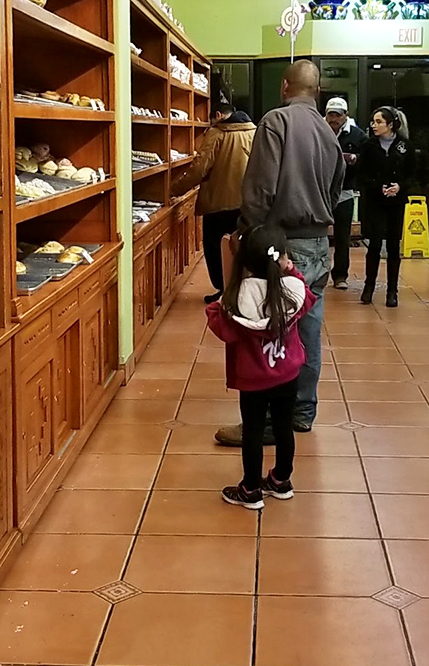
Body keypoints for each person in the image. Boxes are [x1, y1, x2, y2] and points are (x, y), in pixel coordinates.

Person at [215, 60, 345, 445]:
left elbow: (260, 186)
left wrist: (246, 232)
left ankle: (271, 422)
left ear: (285, 86)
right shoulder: (329, 130)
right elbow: (337, 191)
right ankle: (302, 412)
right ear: (317, 91)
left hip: (281, 244)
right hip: (320, 244)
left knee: (270, 330)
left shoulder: (276, 121)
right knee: (309, 328)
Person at [206, 225, 315, 509]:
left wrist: (231, 284)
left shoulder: (238, 298)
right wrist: (291, 272)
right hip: (288, 374)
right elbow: (307, 299)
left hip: (254, 379)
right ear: (282, 258)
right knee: (283, 427)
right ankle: (281, 480)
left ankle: (251, 488)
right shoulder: (292, 290)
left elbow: (219, 323)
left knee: (253, 431)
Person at [170, 102, 256, 304]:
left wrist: (174, 190)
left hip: (218, 202)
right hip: (247, 204)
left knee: (216, 248)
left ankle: (223, 289)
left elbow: (199, 169)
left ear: (217, 115)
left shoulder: (218, 133)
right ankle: (241, 290)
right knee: (242, 247)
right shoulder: (254, 131)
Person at [358, 106, 415, 308]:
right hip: (375, 201)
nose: (374, 125)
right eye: (373, 121)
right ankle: (369, 287)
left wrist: (400, 187)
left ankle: (392, 290)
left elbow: (414, 174)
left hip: (396, 202)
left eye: (379, 122)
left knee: (393, 246)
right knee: (374, 244)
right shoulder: (368, 146)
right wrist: (376, 186)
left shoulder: (405, 146)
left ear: (390, 124)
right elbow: (361, 174)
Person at [325, 97, 367, 290]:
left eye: (337, 115)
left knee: (343, 237)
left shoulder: (357, 136)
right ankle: (320, 273)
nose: (333, 119)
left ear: (345, 115)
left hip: (345, 192)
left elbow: (367, 160)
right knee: (319, 236)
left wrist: (355, 160)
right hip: (321, 192)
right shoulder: (319, 131)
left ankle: (340, 275)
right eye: (330, 115)